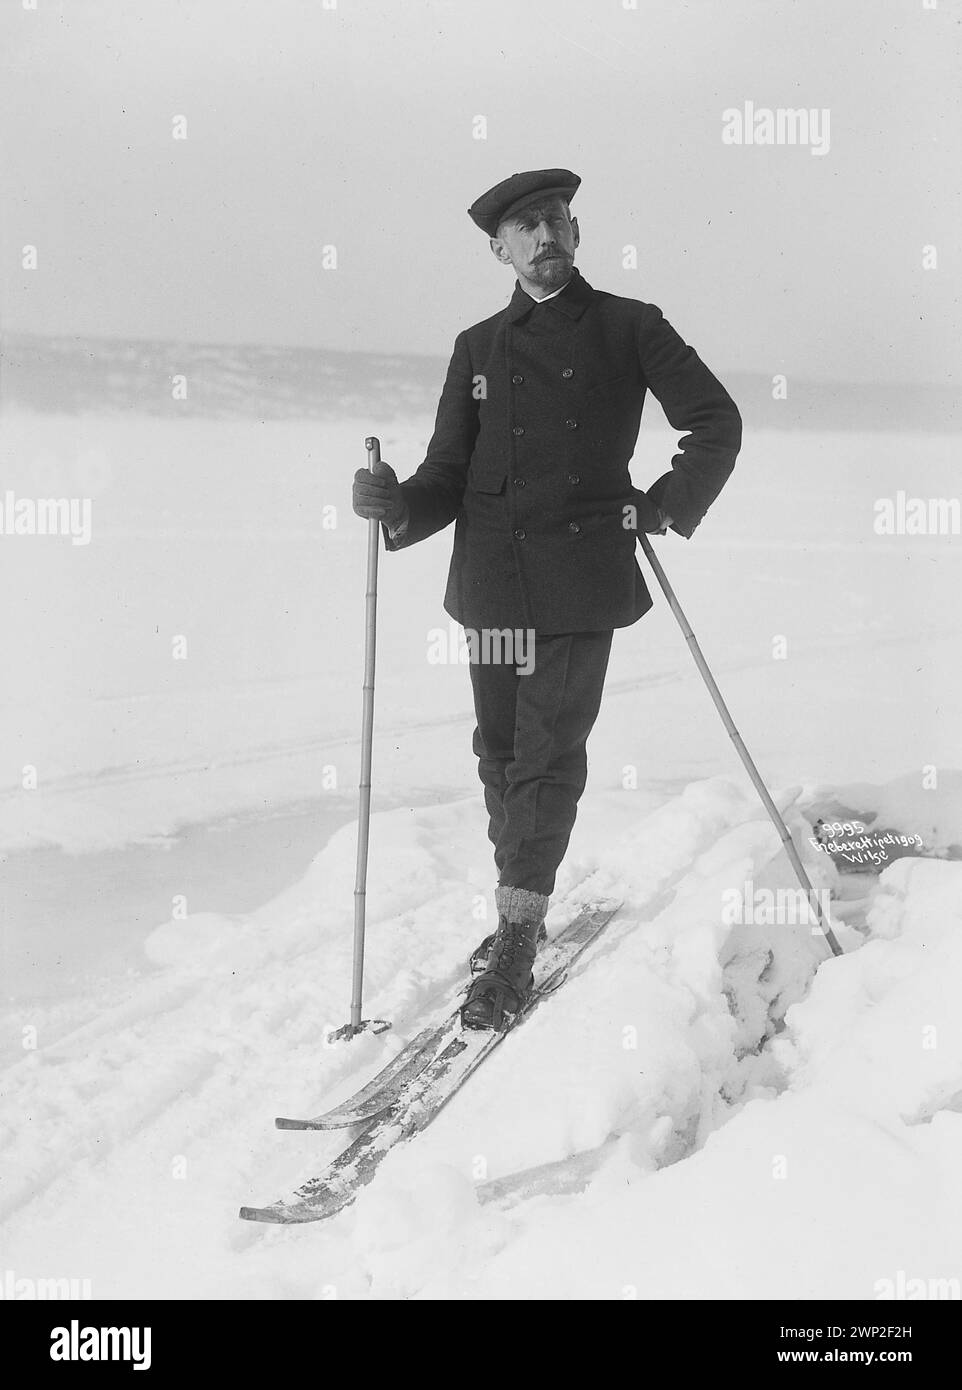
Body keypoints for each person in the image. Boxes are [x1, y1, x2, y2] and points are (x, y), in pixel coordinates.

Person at [352, 168, 741, 1030]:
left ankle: (517, 940)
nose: (546, 235)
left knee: (546, 754)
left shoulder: (629, 327)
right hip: (492, 583)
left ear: (577, 232)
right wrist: (397, 503)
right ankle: (516, 906)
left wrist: (666, 503)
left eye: (558, 220)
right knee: (498, 751)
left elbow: (715, 421)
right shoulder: (479, 346)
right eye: (527, 227)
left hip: (579, 580)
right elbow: (448, 470)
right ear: (501, 249)